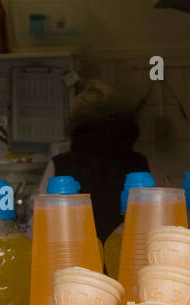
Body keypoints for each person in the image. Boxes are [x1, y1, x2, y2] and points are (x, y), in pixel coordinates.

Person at [38, 80, 160, 242]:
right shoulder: (142, 164)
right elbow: (165, 218)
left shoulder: (60, 165)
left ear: (75, 126)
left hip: (75, 262)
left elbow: (39, 227)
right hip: (132, 260)